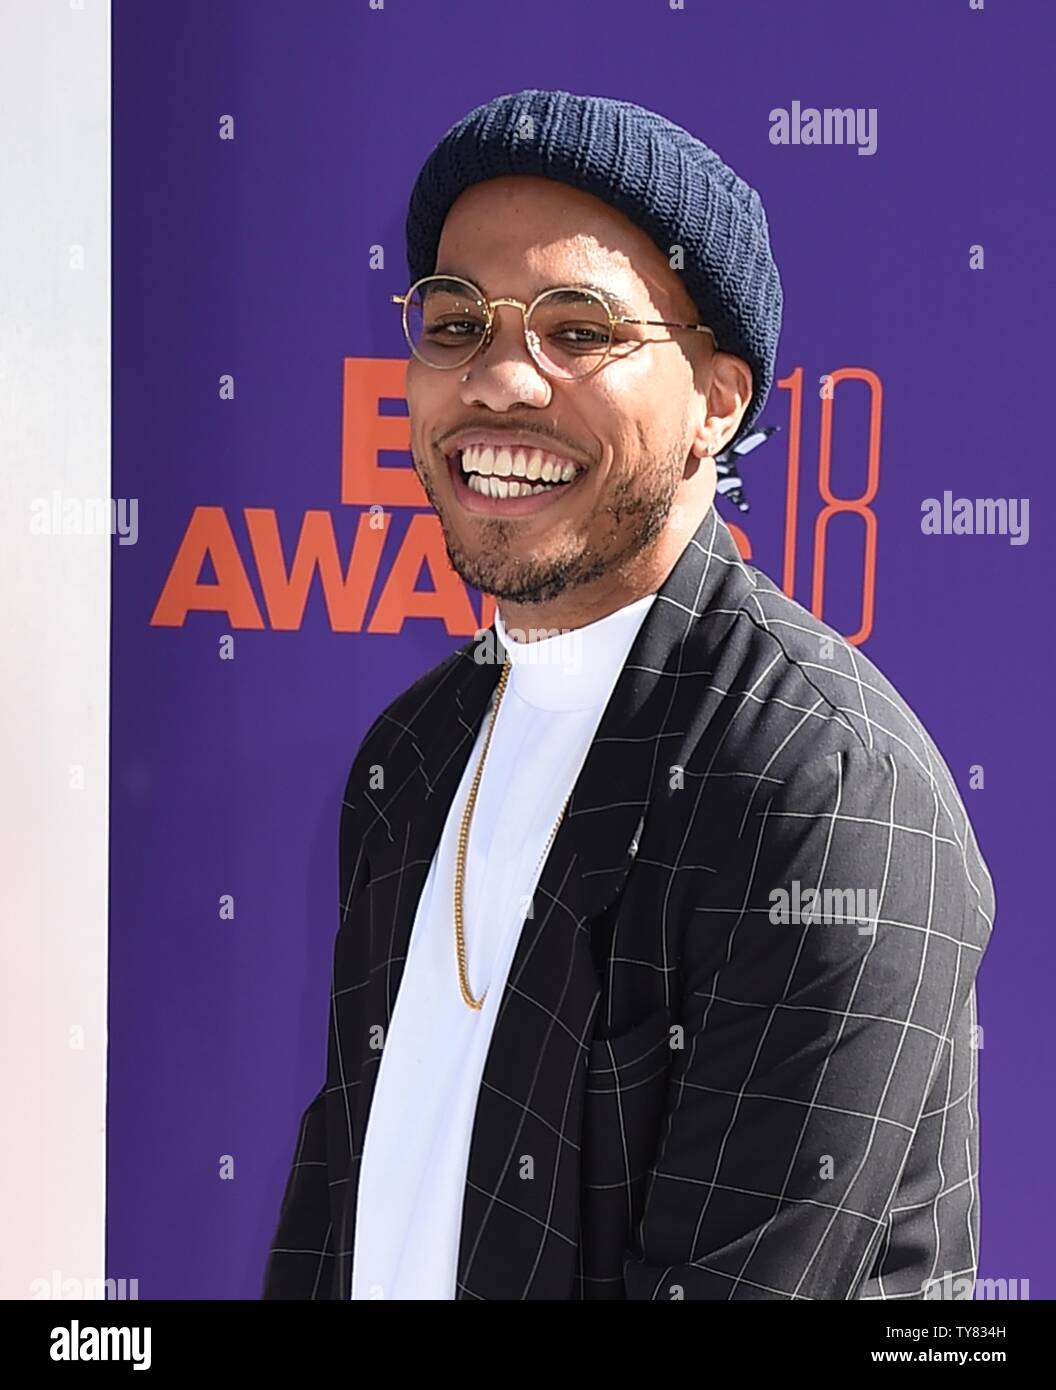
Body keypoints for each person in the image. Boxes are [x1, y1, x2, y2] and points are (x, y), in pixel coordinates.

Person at [262, 89, 994, 1301]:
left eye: (578, 329)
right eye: (454, 324)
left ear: (719, 397)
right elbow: (342, 1201)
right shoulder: (414, 754)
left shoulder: (819, 786)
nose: (498, 380)